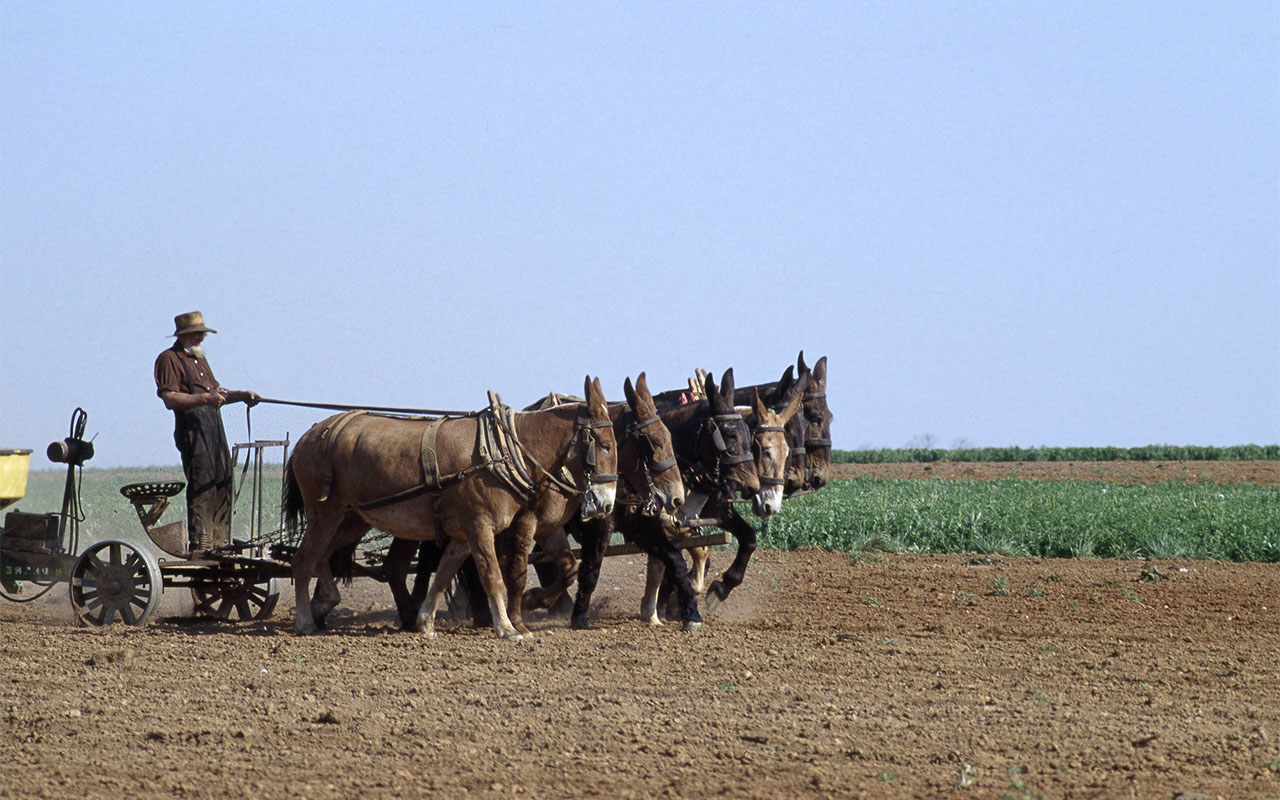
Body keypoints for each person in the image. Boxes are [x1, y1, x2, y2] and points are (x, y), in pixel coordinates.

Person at [153, 311, 259, 556]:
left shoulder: (198, 359)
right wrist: (205, 398)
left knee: (223, 479)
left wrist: (242, 395)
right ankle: (201, 544)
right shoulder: (169, 359)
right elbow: (170, 398)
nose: (201, 338)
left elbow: (217, 393)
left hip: (213, 425)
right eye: (196, 334)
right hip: (192, 428)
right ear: (184, 336)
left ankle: (220, 542)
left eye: (202, 334)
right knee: (203, 484)